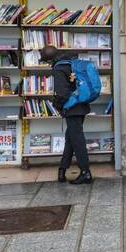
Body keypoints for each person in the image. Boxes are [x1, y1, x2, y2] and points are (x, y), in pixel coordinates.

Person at [41, 44, 91, 185]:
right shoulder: (70, 62)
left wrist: (57, 105)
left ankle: (85, 172)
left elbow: (62, 93)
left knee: (77, 141)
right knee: (71, 139)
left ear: (50, 60)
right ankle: (62, 169)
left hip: (72, 109)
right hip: (81, 105)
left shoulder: (59, 68)